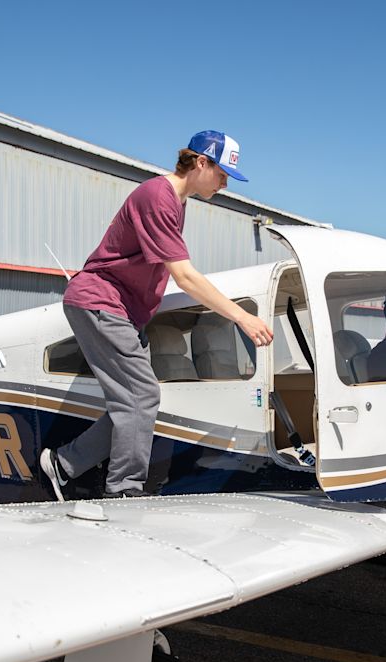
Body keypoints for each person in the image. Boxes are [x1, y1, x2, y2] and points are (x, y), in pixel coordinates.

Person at [40, 130, 273, 500]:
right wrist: (241, 317)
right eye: (223, 174)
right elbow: (184, 275)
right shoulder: (158, 196)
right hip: (101, 301)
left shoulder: (177, 203)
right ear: (201, 163)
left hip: (125, 312)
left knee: (134, 401)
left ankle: (65, 465)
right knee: (142, 396)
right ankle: (124, 495)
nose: (226, 183)